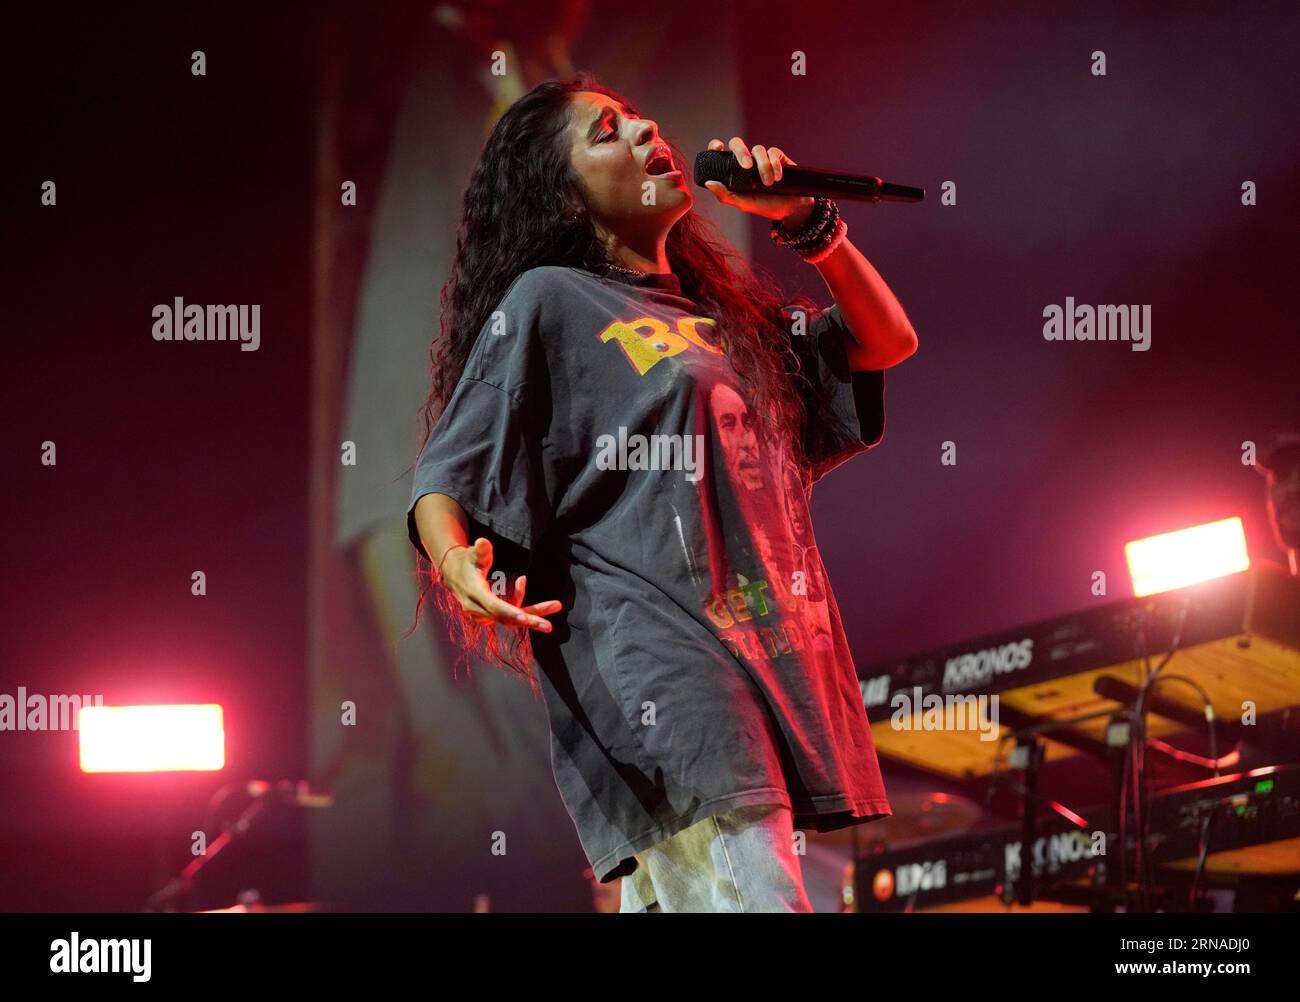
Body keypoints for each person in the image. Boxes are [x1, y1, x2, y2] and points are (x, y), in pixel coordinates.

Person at [407, 72, 917, 912]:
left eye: (639, 116)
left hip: (768, 652)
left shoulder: (722, 320)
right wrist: (458, 560)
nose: (646, 131)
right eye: (608, 132)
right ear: (565, 197)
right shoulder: (549, 302)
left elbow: (885, 341)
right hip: (659, 666)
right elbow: (445, 475)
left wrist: (805, 220)